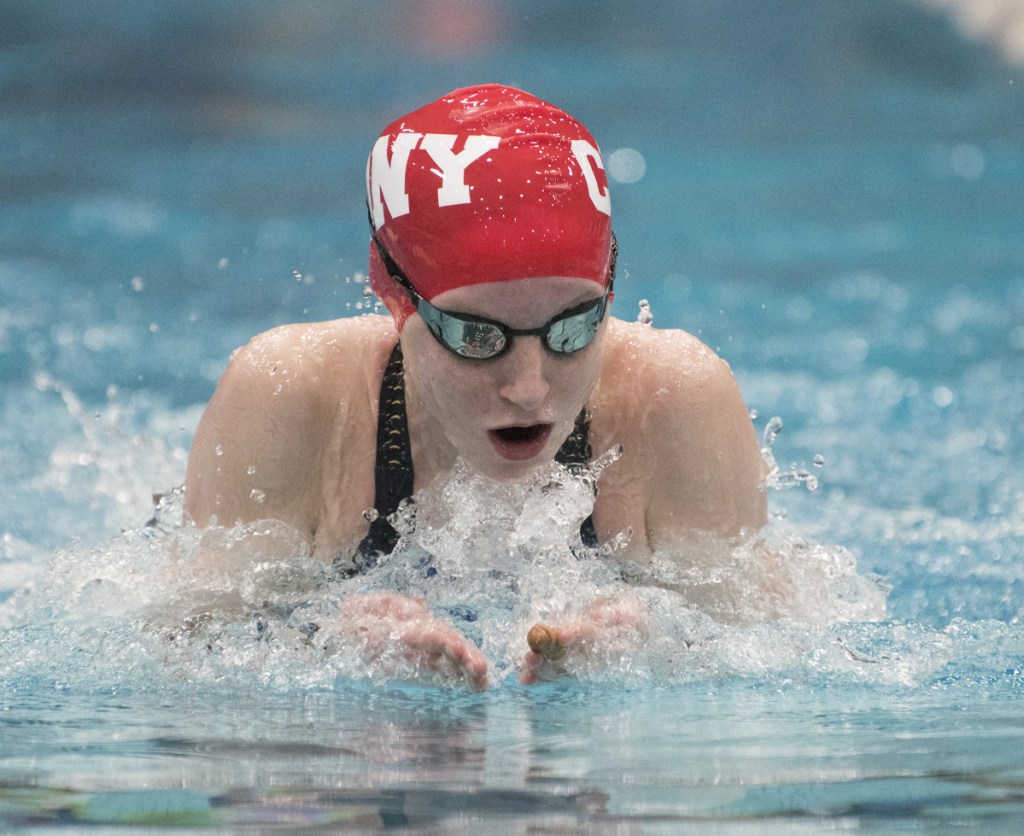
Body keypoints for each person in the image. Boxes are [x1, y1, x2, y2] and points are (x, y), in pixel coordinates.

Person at [183, 84, 767, 688]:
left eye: (572, 327)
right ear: (396, 299)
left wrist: (657, 653)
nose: (529, 389)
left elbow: (775, 645)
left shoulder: (674, 399)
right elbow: (178, 647)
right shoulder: (291, 395)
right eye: (477, 336)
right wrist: (329, 648)